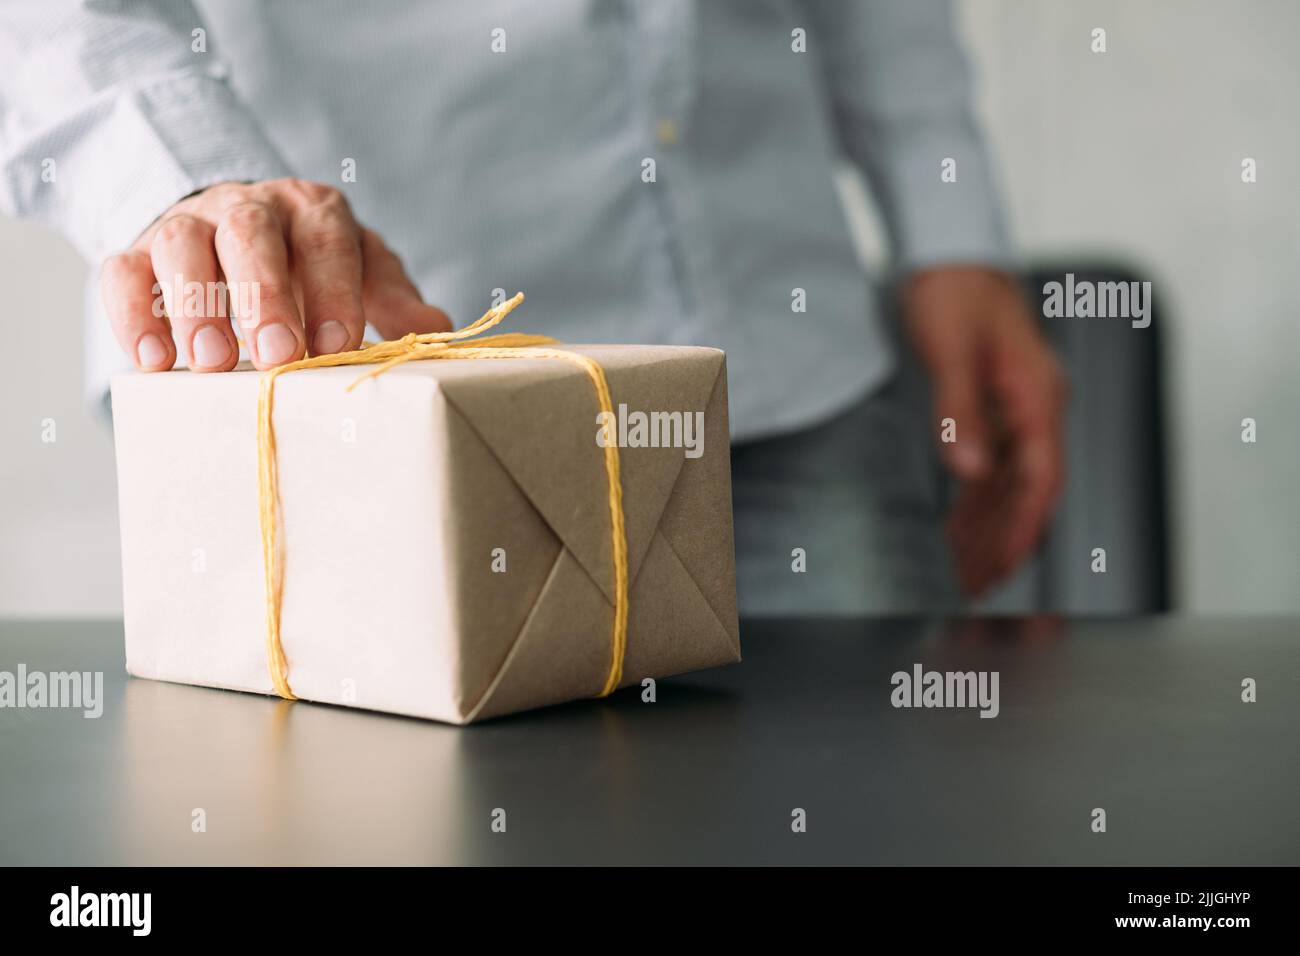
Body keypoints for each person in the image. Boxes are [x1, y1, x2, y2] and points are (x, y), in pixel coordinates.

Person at [0, 0, 1064, 613]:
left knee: (867, 810)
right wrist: (184, 174)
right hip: (358, 397)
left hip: (784, 361)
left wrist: (947, 223)